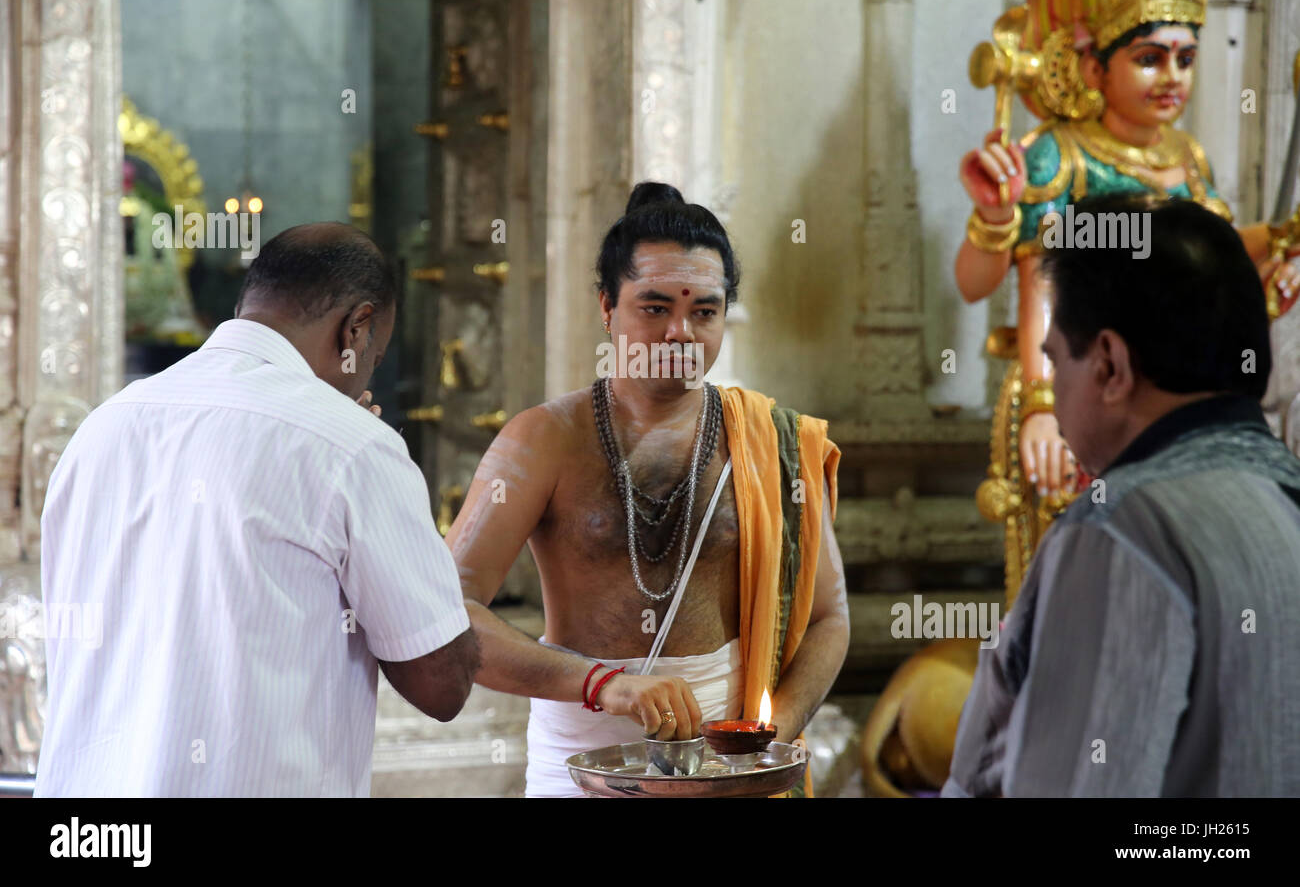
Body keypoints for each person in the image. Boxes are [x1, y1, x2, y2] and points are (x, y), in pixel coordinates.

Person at [35, 222, 479, 797]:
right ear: (357, 328)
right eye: (375, 357)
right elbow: (442, 685)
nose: (365, 377)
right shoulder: (351, 446)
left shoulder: (103, 426)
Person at [447, 183, 848, 797]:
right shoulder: (543, 440)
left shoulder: (773, 440)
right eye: (654, 308)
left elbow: (828, 619)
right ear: (607, 308)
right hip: (582, 760)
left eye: (704, 312)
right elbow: (450, 612)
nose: (681, 334)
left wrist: (764, 736)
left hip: (726, 761)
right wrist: (605, 684)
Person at [955, 0, 1300, 597]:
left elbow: (1216, 250)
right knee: (1074, 573)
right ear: (1094, 68)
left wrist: (1285, 239)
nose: (1171, 77)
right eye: (1149, 57)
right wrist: (1044, 405)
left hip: (1169, 397)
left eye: (1185, 58)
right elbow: (1034, 284)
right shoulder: (1061, 156)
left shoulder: (1188, 158)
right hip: (1078, 388)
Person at [944, 195, 1300, 797]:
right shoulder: (1287, 496)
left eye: (1055, 362)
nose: (1052, 398)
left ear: (1109, 365)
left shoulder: (1121, 531)